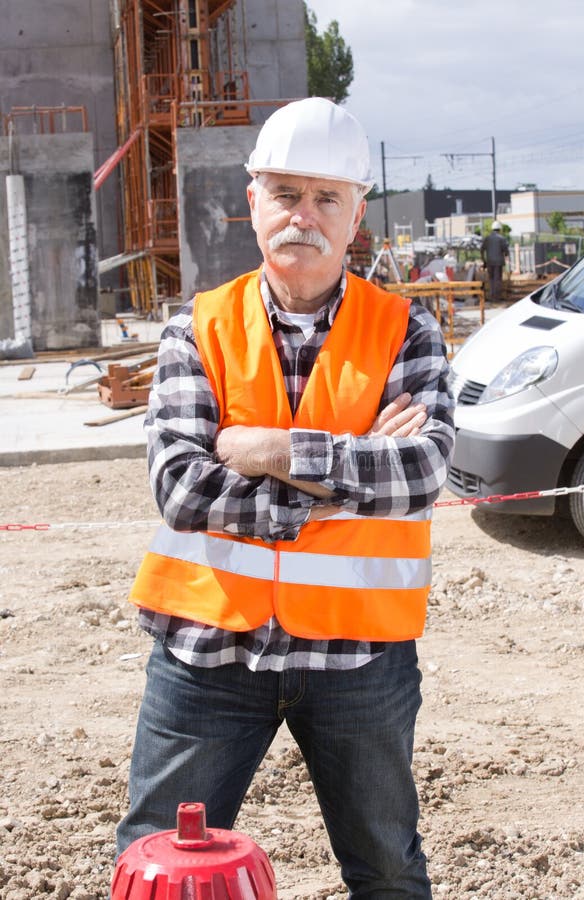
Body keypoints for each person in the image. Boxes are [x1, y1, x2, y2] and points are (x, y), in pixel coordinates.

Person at [115, 97, 455, 898]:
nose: (304, 216)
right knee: (158, 861)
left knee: (386, 869)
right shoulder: (195, 329)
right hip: (209, 653)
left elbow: (422, 474)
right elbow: (182, 487)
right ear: (253, 202)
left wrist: (270, 449)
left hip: (357, 659)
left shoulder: (406, 333)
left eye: (326, 198)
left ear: (356, 214)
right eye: (286, 194)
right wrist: (349, 474)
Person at [481, 220, 509, 302]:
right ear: (499, 229)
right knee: (497, 279)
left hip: (489, 262)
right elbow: (506, 251)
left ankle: (492, 296)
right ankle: (497, 297)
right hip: (499, 262)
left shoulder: (487, 238)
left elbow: (482, 250)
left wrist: (484, 261)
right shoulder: (501, 238)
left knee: (491, 279)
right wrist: (506, 255)